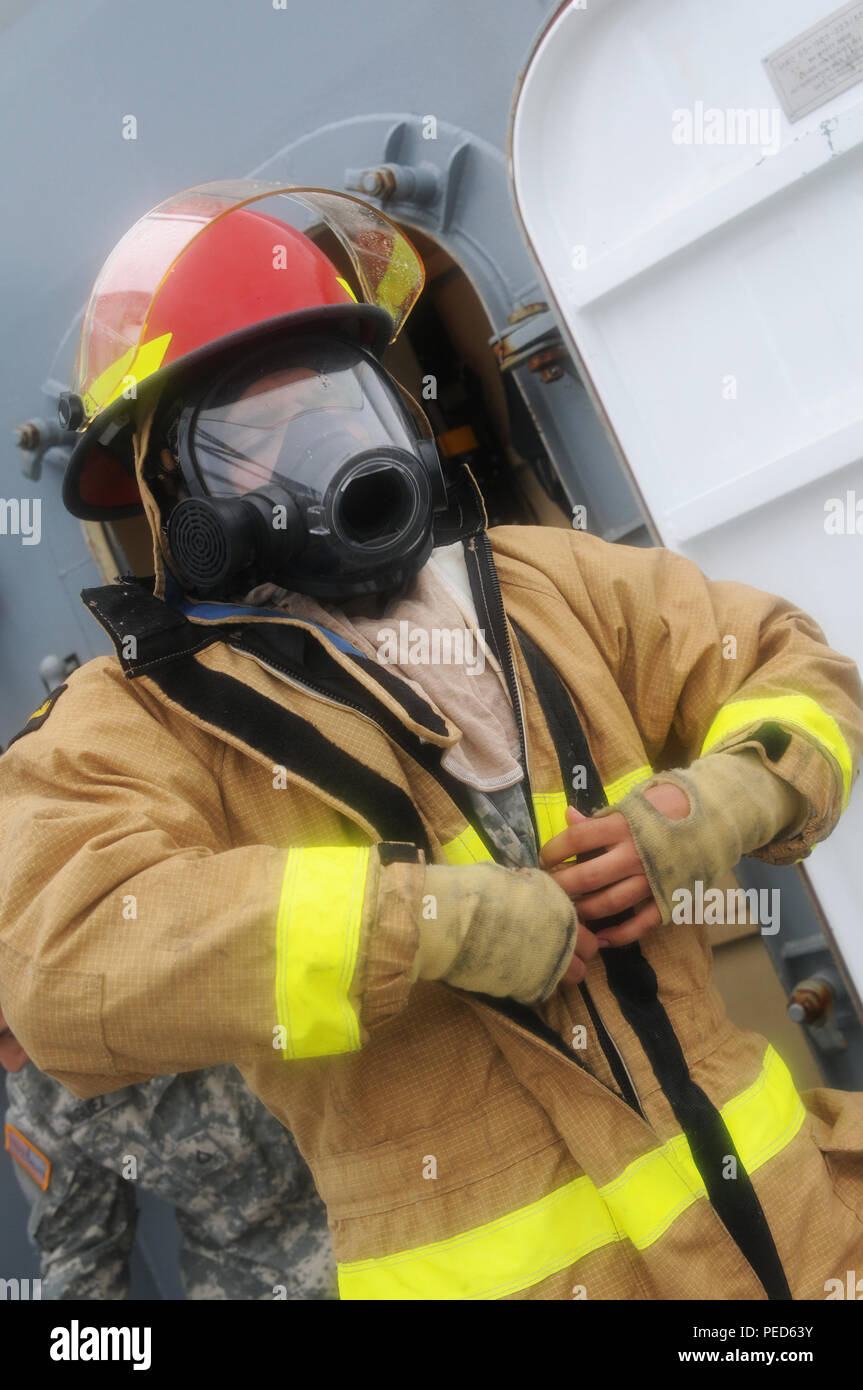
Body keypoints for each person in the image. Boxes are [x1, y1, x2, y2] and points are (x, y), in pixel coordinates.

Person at [1, 179, 862, 1301]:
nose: (326, 458)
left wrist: (717, 808)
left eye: (339, 409)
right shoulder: (135, 725)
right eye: (257, 438)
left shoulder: (547, 584)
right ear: (178, 497)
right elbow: (61, 963)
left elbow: (794, 669)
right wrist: (423, 928)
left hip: (794, 1252)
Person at [1, 1006, 336, 1300]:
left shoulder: (157, 970)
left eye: (7, 1034)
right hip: (248, 1267)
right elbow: (78, 1252)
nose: (10, 1064)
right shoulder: (40, 1099)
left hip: (353, 1188)